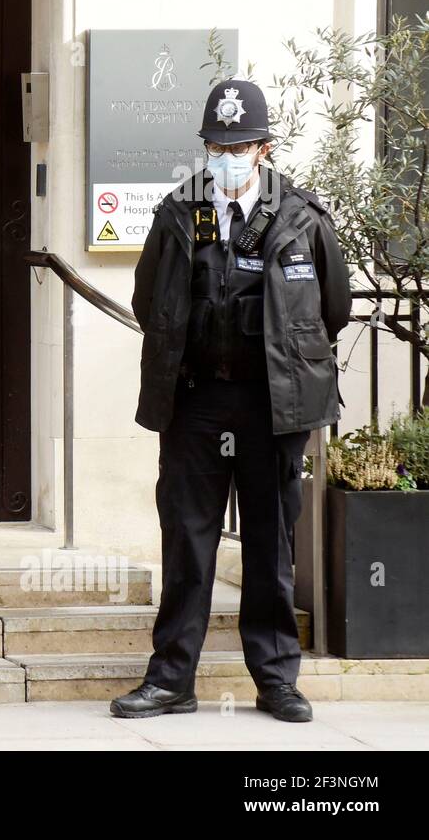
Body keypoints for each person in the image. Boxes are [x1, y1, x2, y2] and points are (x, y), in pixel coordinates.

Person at [112, 78, 352, 723]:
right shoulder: (177, 212)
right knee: (187, 541)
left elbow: (333, 308)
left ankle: (275, 680)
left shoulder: (301, 216)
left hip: (272, 405)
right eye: (218, 145)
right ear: (205, 147)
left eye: (241, 144)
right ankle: (171, 680)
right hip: (196, 401)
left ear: (263, 148)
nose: (228, 157)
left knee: (272, 545)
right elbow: (148, 299)